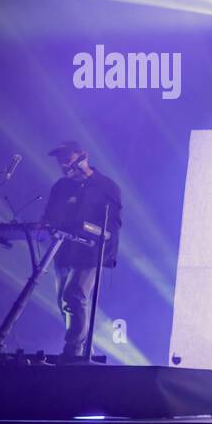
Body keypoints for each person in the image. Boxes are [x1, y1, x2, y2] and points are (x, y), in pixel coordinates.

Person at [41, 142, 122, 359]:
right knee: (63, 302)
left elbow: (113, 226)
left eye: (67, 157)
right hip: (63, 250)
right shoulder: (60, 186)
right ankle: (85, 350)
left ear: (82, 156)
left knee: (73, 297)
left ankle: (73, 351)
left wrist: (102, 247)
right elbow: (48, 216)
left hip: (89, 253)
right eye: (60, 159)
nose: (63, 163)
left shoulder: (106, 187)